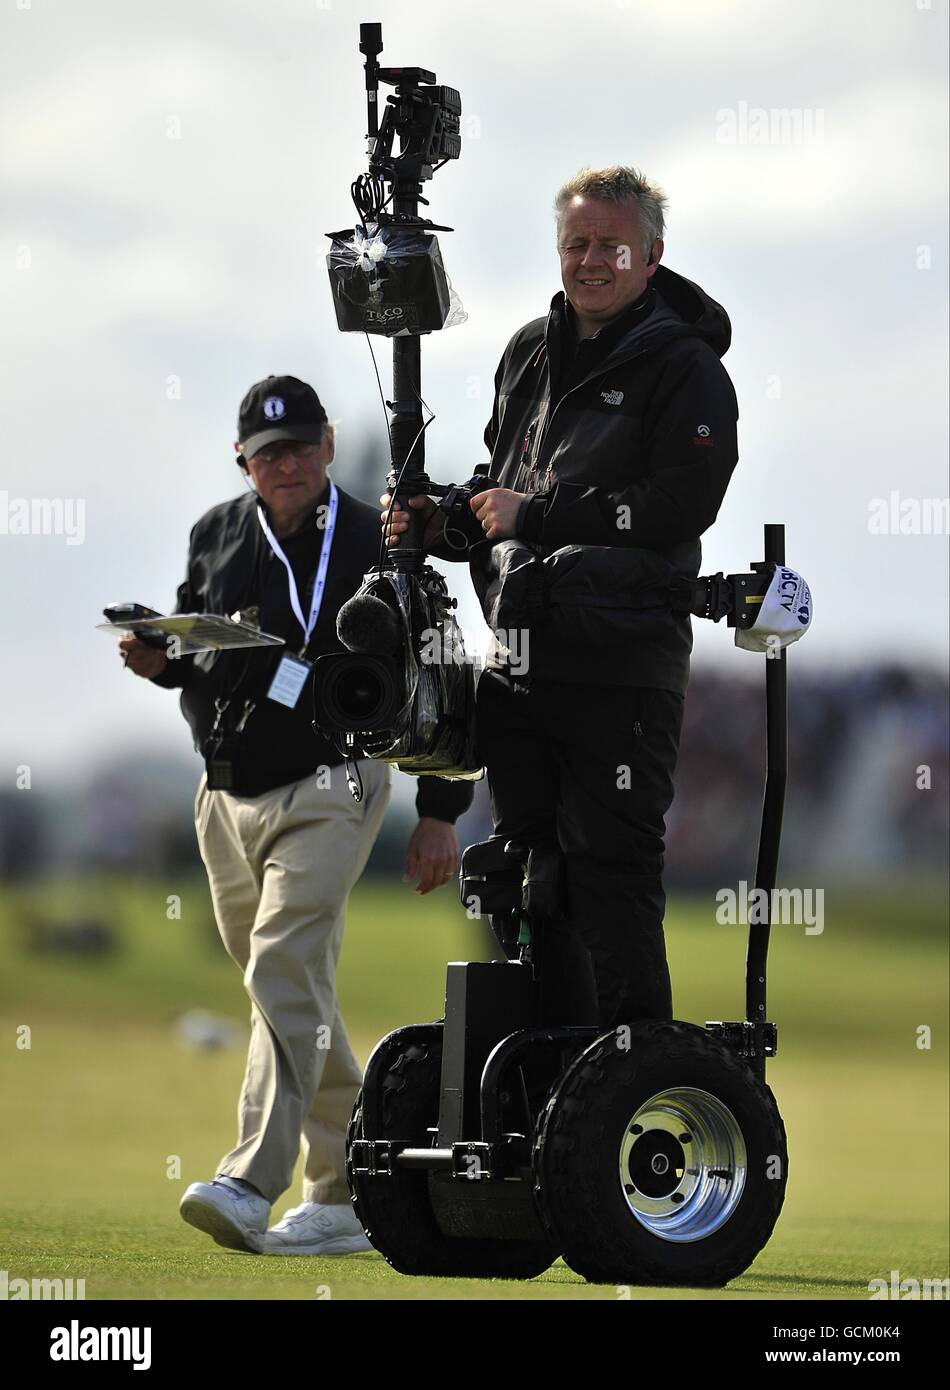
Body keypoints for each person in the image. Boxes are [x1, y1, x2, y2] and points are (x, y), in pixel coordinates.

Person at [121, 374, 473, 1255]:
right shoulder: (216, 536)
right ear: (242, 463)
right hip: (224, 795)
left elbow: (444, 661)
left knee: (281, 967)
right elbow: (207, 662)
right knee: (290, 988)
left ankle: (247, 1182)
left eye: (304, 446)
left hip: (336, 782)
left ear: (326, 447)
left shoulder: (374, 535)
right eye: (269, 453)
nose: (289, 464)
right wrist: (162, 663)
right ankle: (353, 1190)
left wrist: (441, 809)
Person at [382, 165, 739, 1030]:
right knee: (527, 873)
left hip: (622, 665)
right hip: (520, 654)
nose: (590, 261)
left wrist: (537, 514)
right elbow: (500, 492)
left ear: (651, 257)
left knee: (610, 878)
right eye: (576, 243)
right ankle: (552, 1086)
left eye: (611, 246)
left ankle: (633, 1089)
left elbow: (681, 509)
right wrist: (440, 523)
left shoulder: (687, 369)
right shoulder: (527, 351)